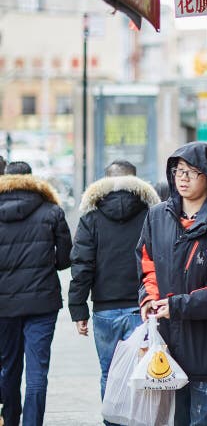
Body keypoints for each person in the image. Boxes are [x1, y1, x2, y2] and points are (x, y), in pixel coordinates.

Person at [136, 142, 207, 426]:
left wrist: (177, 306)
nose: (183, 178)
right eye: (179, 171)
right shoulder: (157, 217)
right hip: (166, 348)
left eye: (192, 172)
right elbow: (146, 267)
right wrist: (149, 299)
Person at [67, 160, 160, 409]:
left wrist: (78, 310)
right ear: (137, 181)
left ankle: (113, 421)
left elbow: (82, 264)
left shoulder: (91, 218)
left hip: (104, 310)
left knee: (109, 372)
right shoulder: (152, 215)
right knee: (142, 372)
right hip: (142, 307)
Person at [0, 161, 72, 426]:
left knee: (9, 366)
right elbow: (65, 259)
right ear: (32, 180)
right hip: (42, 303)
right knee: (37, 370)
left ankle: (10, 420)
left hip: (3, 305)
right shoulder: (52, 211)